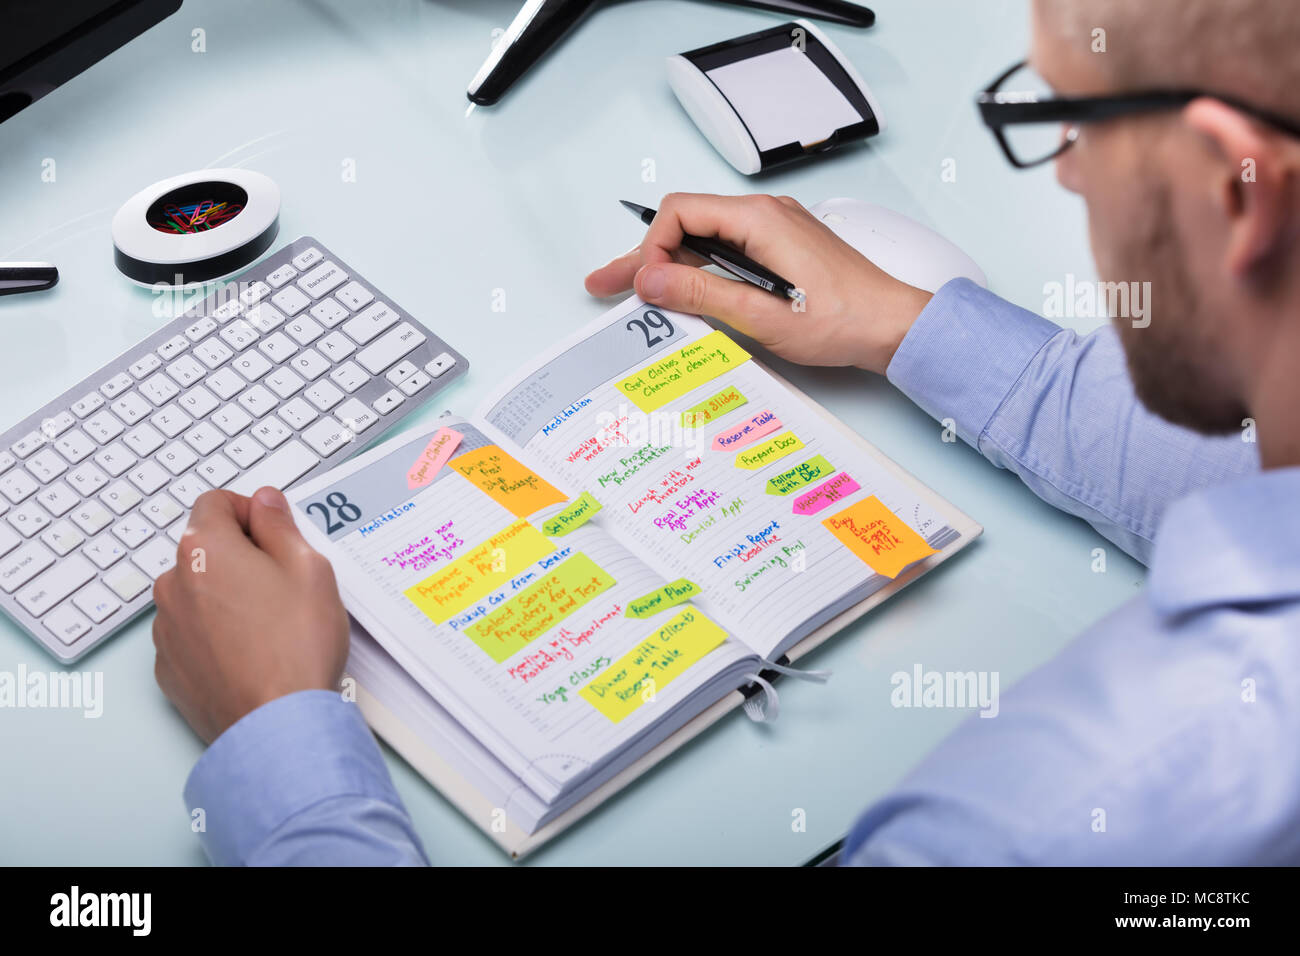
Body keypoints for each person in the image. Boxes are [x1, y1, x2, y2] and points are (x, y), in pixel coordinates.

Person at [153, 0, 1300, 865]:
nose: (1060, 172)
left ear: (1240, 194)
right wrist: (907, 324)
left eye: (1066, 118)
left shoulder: (1044, 817)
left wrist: (283, 751)